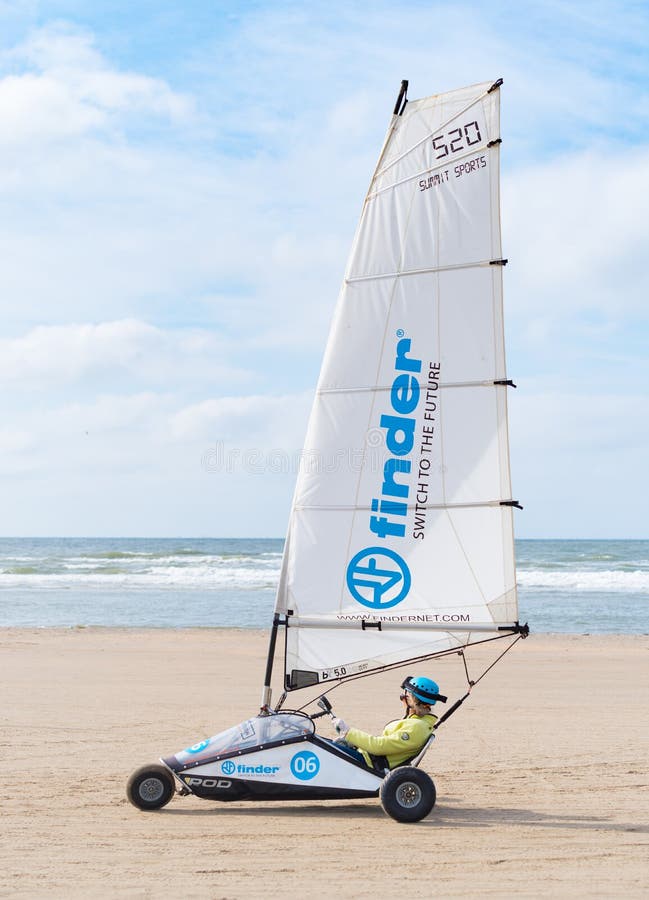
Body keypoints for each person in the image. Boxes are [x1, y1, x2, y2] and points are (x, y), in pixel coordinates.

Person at [329, 675, 447, 771]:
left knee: (323, 749)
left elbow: (378, 746)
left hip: (369, 763)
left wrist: (348, 732)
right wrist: (353, 743)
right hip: (368, 757)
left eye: (404, 696)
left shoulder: (417, 727)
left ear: (413, 701)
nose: (402, 699)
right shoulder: (417, 722)